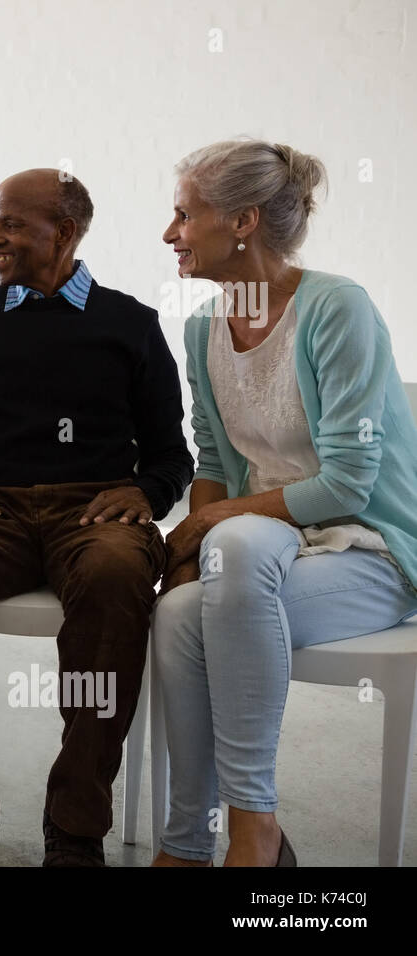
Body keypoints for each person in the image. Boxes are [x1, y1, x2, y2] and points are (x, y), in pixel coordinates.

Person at [0, 169, 193, 866]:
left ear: (67, 232)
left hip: (97, 510)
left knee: (118, 576)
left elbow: (174, 455)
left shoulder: (130, 325)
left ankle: (77, 822)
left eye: (13, 225)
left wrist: (147, 495)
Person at [152, 139, 417, 867]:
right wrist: (187, 557)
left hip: (372, 548)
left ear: (241, 221)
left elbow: (347, 485)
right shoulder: (204, 327)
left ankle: (253, 828)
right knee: (178, 609)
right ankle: (185, 844)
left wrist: (205, 524)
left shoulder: (337, 309)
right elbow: (212, 460)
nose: (170, 234)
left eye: (183, 215)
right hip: (266, 548)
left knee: (230, 548)